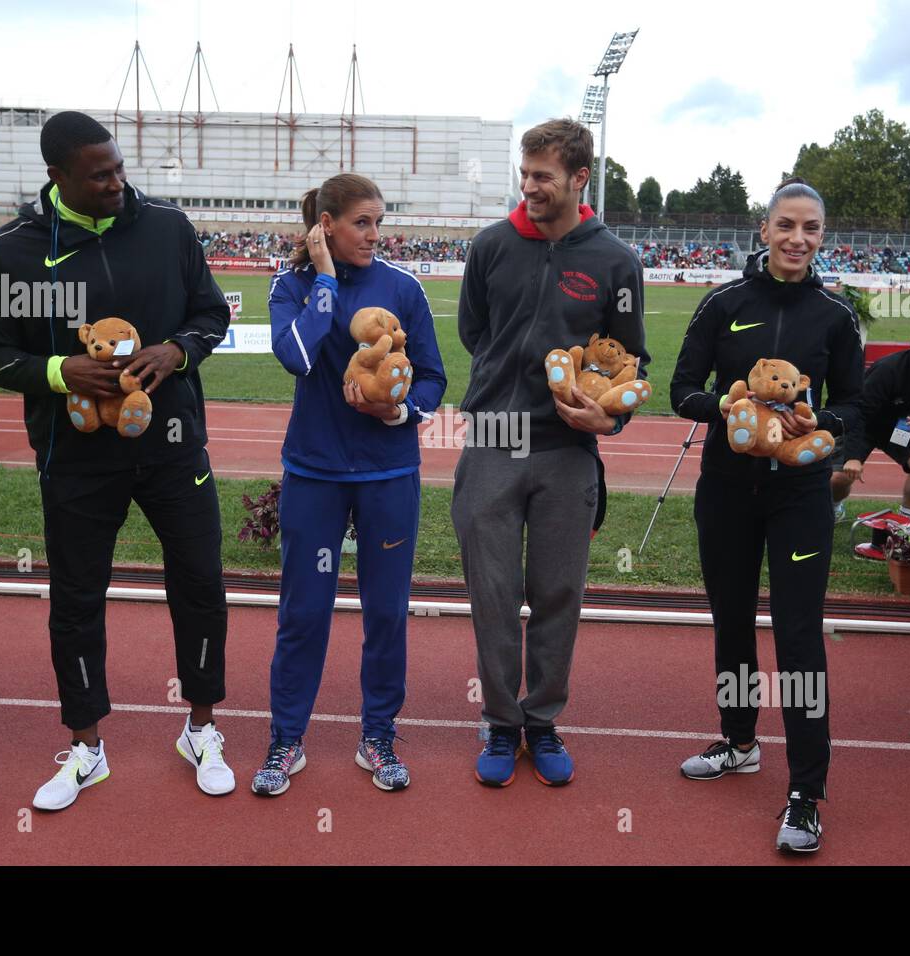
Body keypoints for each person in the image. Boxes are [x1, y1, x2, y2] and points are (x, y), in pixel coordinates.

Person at [0, 112, 234, 810]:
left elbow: (212, 315)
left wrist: (176, 351)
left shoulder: (168, 227)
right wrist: (60, 372)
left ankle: (202, 728)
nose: (118, 182)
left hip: (175, 449)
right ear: (58, 176)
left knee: (202, 583)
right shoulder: (14, 251)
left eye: (118, 167)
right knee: (77, 600)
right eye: (100, 174)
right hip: (76, 458)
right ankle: (87, 746)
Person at [669, 178, 864, 853]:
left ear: (821, 236)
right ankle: (740, 739)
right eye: (787, 225)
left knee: (800, 637)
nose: (797, 239)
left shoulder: (836, 315)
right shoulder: (723, 302)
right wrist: (722, 407)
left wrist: (824, 420)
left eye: (810, 228)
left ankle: (807, 791)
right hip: (726, 490)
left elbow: (859, 405)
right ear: (764, 229)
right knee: (731, 624)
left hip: (800, 496)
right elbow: (680, 389)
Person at [452, 118, 647, 787]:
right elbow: (474, 331)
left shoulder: (615, 261)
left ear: (578, 178)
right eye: (524, 173)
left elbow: (632, 362)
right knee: (494, 593)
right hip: (491, 440)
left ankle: (543, 719)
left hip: (567, 447)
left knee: (559, 591)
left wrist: (606, 417)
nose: (529, 187)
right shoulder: (492, 246)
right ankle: (503, 724)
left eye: (542, 176)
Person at [251, 173, 446, 796]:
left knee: (385, 612)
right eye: (362, 223)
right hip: (314, 474)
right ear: (326, 225)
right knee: (303, 614)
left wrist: (401, 411)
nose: (374, 235)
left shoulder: (404, 288)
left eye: (379, 222)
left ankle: (379, 735)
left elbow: (435, 380)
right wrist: (327, 281)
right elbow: (298, 358)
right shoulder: (293, 285)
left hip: (389, 473)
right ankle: (287, 740)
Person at [831, 325, 910, 538]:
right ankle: (835, 507)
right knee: (839, 478)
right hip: (864, 425)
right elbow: (860, 414)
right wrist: (853, 457)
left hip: (899, 428)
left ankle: (904, 522)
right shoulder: (887, 369)